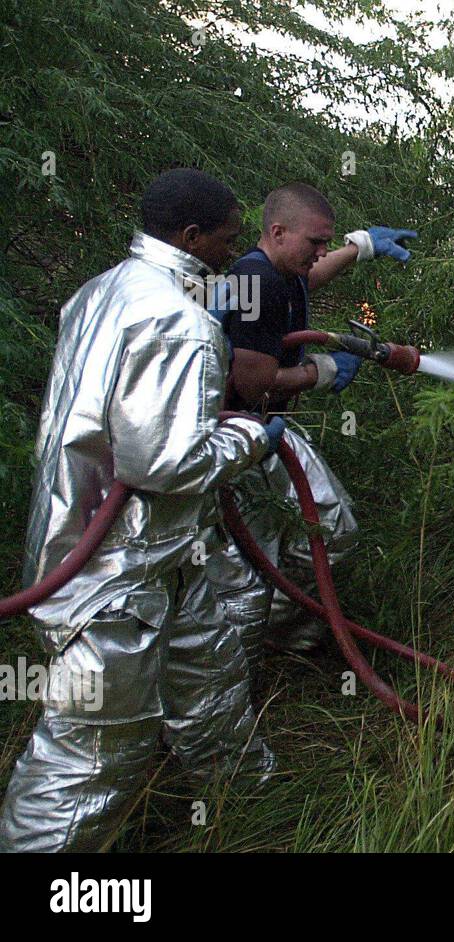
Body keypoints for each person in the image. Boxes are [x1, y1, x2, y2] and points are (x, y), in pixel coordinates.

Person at [0, 168, 283, 852]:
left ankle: (255, 816)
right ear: (191, 236)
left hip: (158, 559)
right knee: (90, 759)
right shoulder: (181, 321)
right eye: (226, 239)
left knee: (213, 689)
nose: (233, 253)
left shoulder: (101, 291)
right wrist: (247, 437)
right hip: (113, 575)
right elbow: (161, 464)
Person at [207, 182, 415, 666]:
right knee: (260, 560)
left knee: (331, 528)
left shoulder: (275, 272)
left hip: (266, 431)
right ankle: (251, 651)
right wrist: (320, 372)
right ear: (277, 232)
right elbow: (256, 382)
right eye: (315, 242)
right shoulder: (254, 282)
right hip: (236, 440)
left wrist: (358, 248)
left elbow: (307, 280)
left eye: (328, 241)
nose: (321, 251)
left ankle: (284, 630)